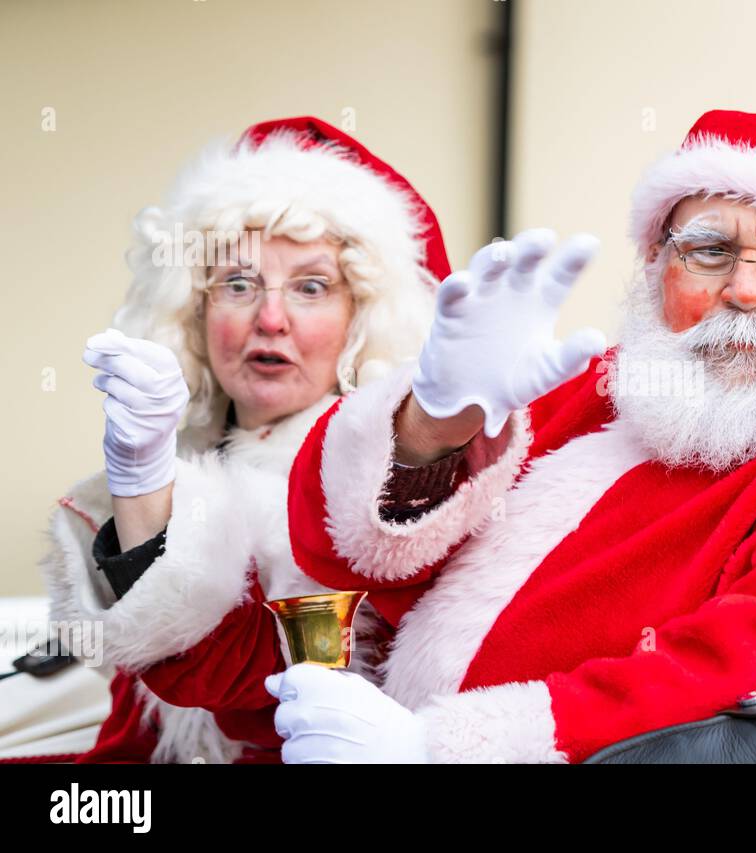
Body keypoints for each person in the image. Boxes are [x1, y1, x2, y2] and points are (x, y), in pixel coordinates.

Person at [269, 109, 756, 764]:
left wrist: (443, 747)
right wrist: (436, 420)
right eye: (709, 251)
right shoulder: (603, 388)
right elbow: (337, 557)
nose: (745, 290)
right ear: (658, 269)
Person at [37, 116, 466, 763]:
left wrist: (147, 497)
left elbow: (272, 702)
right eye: (238, 284)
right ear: (194, 308)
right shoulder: (181, 450)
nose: (270, 318)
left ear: (364, 318)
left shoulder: (393, 490)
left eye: (311, 287)